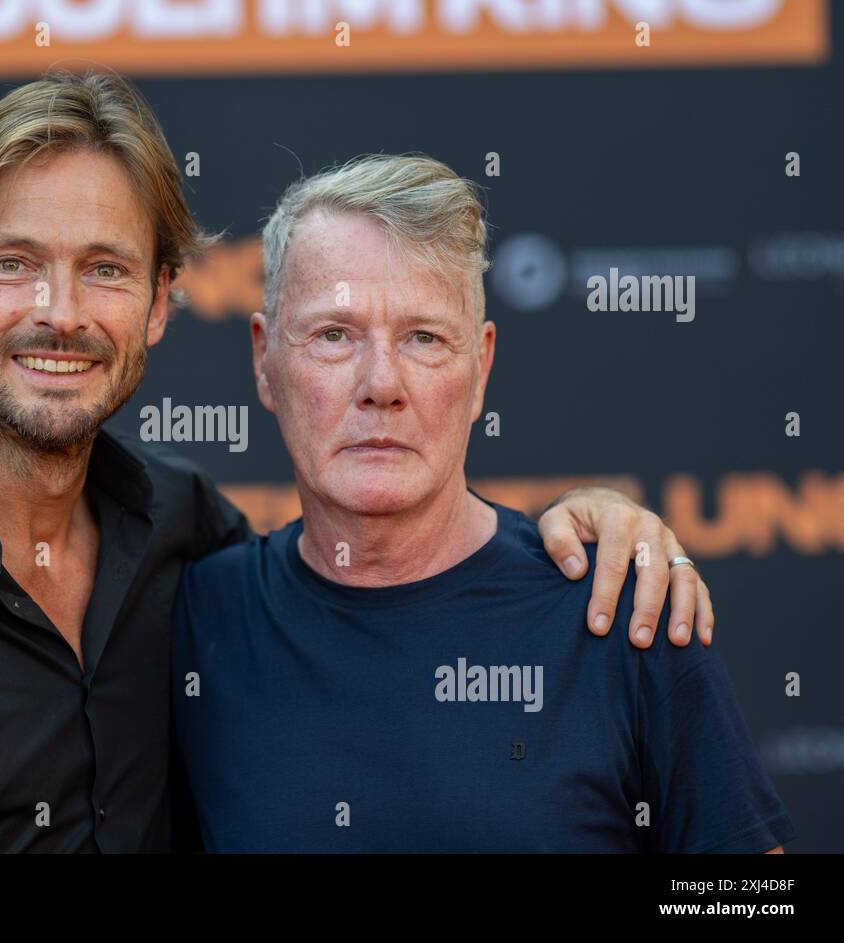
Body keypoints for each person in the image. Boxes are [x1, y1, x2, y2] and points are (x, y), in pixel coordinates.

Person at [0, 73, 712, 853]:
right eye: (14, 264)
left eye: (104, 269)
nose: (60, 313)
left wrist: (592, 516)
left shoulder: (192, 545)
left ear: (156, 306)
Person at [170, 153, 794, 853]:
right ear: (264, 361)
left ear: (480, 371)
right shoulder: (195, 622)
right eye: (334, 335)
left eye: (425, 337)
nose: (382, 382)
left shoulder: (622, 609)